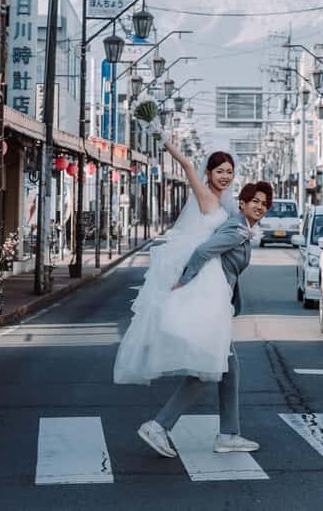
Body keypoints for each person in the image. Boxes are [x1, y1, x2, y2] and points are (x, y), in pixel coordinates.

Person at [137, 180, 273, 459]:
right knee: (206, 369)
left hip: (217, 303)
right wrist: (184, 281)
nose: (260, 207)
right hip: (208, 304)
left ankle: (228, 434)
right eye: (255, 201)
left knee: (228, 369)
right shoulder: (237, 230)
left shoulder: (242, 228)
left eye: (264, 203)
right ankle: (158, 426)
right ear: (243, 203)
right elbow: (203, 252)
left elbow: (227, 268)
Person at [113, 140, 237, 388]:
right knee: (196, 325)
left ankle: (205, 368)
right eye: (219, 171)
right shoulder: (205, 195)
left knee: (211, 328)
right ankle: (197, 366)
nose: (225, 176)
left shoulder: (224, 202)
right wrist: (162, 138)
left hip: (212, 267)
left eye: (229, 172)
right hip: (199, 266)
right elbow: (187, 165)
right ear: (208, 173)